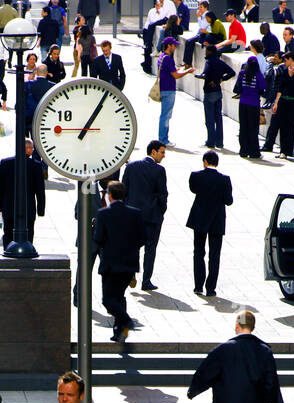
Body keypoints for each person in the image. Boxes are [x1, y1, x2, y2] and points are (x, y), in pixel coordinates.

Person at [93, 180, 145, 344]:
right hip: (129, 263)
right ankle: (119, 331)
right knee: (119, 296)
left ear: (110, 195)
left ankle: (126, 321)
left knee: (108, 299)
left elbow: (98, 238)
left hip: (110, 263)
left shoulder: (103, 214)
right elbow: (143, 238)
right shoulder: (135, 213)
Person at [121, 141, 167, 292]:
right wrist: (162, 210)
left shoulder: (131, 166)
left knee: (133, 246)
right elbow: (162, 193)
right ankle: (146, 281)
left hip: (132, 214)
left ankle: (131, 273)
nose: (163, 155)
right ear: (153, 152)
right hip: (152, 216)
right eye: (162, 152)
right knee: (150, 248)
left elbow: (124, 189)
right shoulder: (159, 170)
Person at [187, 150, 233, 296]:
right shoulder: (225, 179)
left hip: (199, 219)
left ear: (205, 162)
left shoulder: (196, 176)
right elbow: (229, 201)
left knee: (198, 252)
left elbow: (193, 189)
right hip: (216, 221)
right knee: (215, 255)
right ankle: (211, 288)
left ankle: (198, 286)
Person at [0, 139, 46, 249]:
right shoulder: (35, 166)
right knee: (28, 238)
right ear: (28, 149)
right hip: (28, 210)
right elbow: (40, 190)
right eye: (32, 148)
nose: (32, 150)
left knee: (8, 235)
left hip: (8, 208)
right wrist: (40, 209)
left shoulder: (5, 163)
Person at [262, 50, 294, 158]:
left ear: (290, 60)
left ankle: (287, 151)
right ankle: (282, 151)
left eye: (285, 61)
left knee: (290, 127)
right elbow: (280, 88)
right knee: (281, 125)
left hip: (293, 102)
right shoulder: (285, 71)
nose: (284, 63)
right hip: (283, 101)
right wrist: (276, 103)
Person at [196, 45, 235, 148]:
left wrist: (201, 76)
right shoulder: (220, 62)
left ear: (209, 52)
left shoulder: (209, 62)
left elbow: (206, 73)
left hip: (209, 93)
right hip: (218, 92)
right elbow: (232, 72)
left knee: (209, 118)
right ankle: (219, 142)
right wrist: (220, 79)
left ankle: (211, 141)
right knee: (218, 118)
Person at [155, 38, 192, 145]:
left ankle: (162, 138)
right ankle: (163, 140)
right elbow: (175, 75)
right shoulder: (168, 59)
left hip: (163, 88)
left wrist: (180, 69)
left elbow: (172, 71)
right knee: (166, 116)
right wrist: (188, 71)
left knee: (164, 115)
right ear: (169, 45)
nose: (175, 47)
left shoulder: (162, 57)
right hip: (169, 90)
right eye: (174, 45)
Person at [235, 50, 265, 158]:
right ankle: (254, 152)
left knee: (243, 127)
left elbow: (238, 87)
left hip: (243, 103)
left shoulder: (242, 73)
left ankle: (243, 150)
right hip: (254, 104)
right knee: (253, 128)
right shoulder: (258, 75)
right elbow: (262, 89)